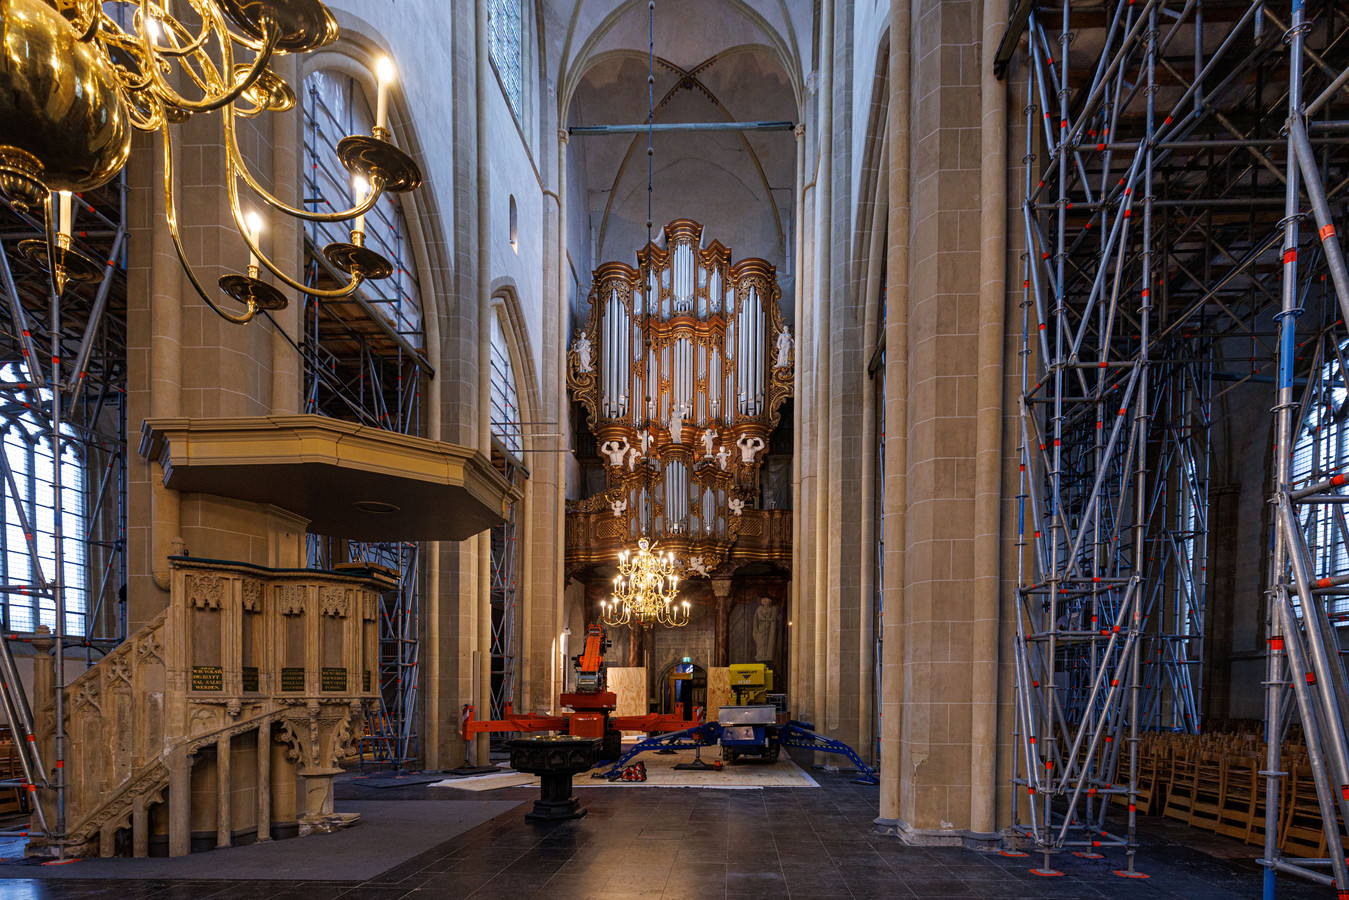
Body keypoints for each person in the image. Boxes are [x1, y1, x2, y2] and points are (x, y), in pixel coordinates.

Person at [752, 596, 780, 662]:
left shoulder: (773, 609)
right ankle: (760, 656)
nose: (767, 601)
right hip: (761, 629)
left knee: (769, 644)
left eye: (768, 600)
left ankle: (768, 658)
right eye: (765, 600)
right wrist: (770, 620)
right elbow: (760, 618)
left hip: (770, 630)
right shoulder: (760, 609)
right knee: (761, 645)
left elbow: (778, 618)